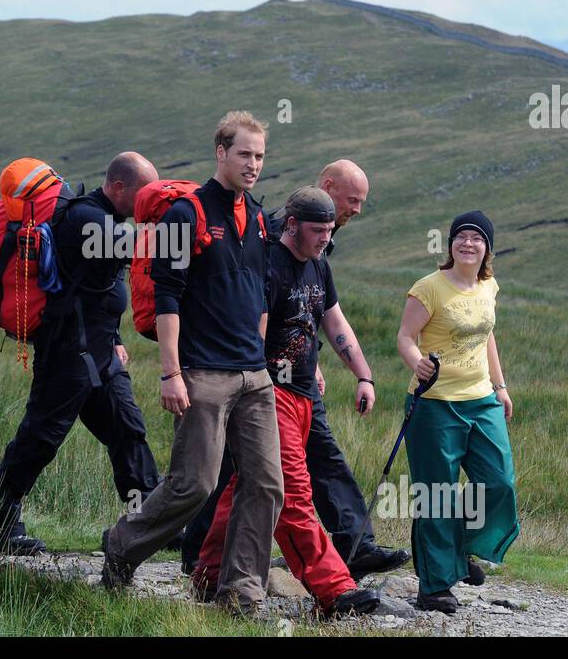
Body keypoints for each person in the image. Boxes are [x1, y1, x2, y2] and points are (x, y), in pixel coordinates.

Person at [181, 159, 410, 578]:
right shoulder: (271, 251)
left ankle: (356, 545)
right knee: (245, 473)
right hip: (264, 384)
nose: (356, 210)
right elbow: (263, 320)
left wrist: (361, 373)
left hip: (302, 385)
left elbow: (324, 317)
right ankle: (206, 557)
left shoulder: (318, 254)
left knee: (323, 460)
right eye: (353, 200)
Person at [100, 111, 283, 616]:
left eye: (260, 156)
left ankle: (240, 594)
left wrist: (260, 355)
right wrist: (171, 372)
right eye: (244, 153)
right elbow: (167, 295)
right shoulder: (189, 213)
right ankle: (121, 547)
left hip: (254, 374)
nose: (253, 164)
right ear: (220, 152)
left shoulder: (260, 219)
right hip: (203, 372)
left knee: (267, 484)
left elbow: (260, 295)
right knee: (194, 484)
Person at [0, 152, 163, 555]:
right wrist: (184, 229)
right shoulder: (86, 218)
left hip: (100, 352)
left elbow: (97, 290)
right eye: (144, 193)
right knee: (42, 436)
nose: (148, 202)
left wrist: (115, 335)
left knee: (127, 428)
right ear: (119, 188)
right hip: (68, 352)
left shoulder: (107, 218)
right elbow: (135, 250)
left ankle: (153, 520)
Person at [396, 211, 519, 613]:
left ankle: (460, 549)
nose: (468, 243)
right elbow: (405, 337)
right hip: (434, 404)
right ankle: (433, 588)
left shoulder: (488, 285)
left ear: (487, 248)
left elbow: (487, 336)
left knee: (498, 483)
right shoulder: (429, 288)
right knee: (438, 495)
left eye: (477, 238)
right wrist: (416, 362)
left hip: (481, 400)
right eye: (461, 237)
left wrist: (500, 388)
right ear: (450, 245)